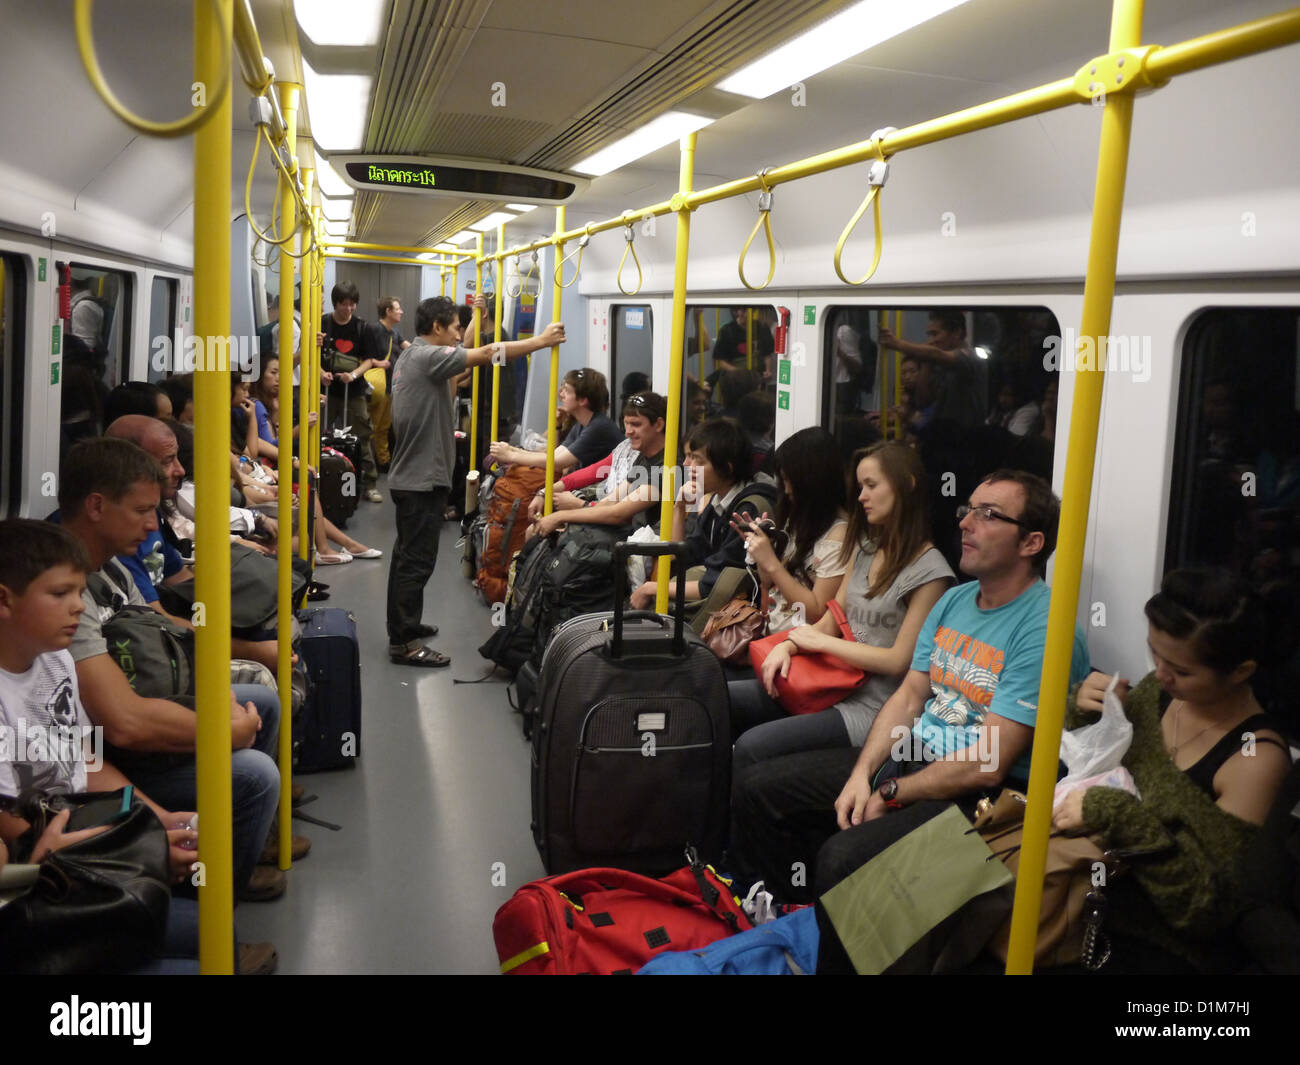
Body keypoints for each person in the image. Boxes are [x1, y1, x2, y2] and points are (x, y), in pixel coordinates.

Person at [730, 468, 1090, 907]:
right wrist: (863, 776)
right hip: (914, 753)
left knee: (841, 858)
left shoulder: (1044, 628)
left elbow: (989, 762)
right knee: (758, 788)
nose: (965, 522)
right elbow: (909, 696)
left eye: (988, 514)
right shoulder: (958, 600)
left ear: (1031, 543)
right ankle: (785, 913)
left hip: (979, 792)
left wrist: (892, 793)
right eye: (968, 509)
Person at [0, 519, 278, 974]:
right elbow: (15, 833)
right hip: (39, 873)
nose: (77, 608)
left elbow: (85, 759)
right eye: (59, 595)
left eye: (78, 593)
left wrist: (153, 816)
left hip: (76, 827)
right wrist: (136, 849)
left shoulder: (54, 660)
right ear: (4, 600)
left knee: (214, 932)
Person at [55, 438, 285, 905]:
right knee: (254, 774)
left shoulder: (113, 569)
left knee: (259, 702)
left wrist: (224, 711)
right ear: (96, 506)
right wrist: (224, 731)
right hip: (116, 747)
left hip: (133, 712)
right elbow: (123, 722)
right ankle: (211, 904)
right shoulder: (66, 592)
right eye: (141, 511)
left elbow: (176, 635)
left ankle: (241, 844)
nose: (150, 524)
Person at [1053, 568, 1292, 972]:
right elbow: (1103, 769)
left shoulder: (1255, 760)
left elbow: (1204, 907)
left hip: (1153, 940)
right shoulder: (1157, 693)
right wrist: (1085, 713)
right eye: (1154, 654)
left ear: (1241, 671)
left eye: (1181, 671)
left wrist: (1119, 816)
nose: (1161, 674)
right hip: (1081, 888)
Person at [729, 440, 952, 742]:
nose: (862, 497)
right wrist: (788, 646)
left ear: (906, 485)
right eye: (860, 487)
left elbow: (897, 660)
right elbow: (831, 620)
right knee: (718, 698)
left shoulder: (931, 573)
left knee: (752, 746)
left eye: (871, 485)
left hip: (874, 707)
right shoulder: (865, 551)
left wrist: (818, 642)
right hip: (830, 682)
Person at [386, 296, 565, 667]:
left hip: (412, 478)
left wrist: (475, 315)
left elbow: (466, 346)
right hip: (421, 480)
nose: (457, 335)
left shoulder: (413, 356)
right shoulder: (429, 358)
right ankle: (403, 642)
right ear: (436, 328)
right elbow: (485, 352)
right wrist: (540, 342)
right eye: (453, 327)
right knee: (415, 563)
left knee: (408, 558)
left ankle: (407, 625)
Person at [629, 418, 775, 610]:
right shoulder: (717, 500)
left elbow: (713, 585)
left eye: (698, 460)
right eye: (688, 456)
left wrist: (652, 588)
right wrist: (679, 508)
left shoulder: (748, 509)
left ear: (727, 467)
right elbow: (683, 555)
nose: (688, 465)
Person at [529, 391, 669, 537]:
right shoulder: (644, 456)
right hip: (632, 534)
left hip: (647, 545)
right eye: (626, 424)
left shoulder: (667, 467)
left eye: (636, 424)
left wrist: (562, 516)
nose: (628, 432)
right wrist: (546, 495)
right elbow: (610, 502)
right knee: (537, 532)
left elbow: (619, 514)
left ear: (658, 424)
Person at [320, 281, 387, 503]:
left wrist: (354, 375)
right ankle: (318, 478)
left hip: (354, 389)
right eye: (343, 304)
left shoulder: (362, 327)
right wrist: (321, 373)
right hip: (327, 391)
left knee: (363, 436)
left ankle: (370, 483)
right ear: (335, 303)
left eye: (352, 304)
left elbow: (369, 360)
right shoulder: (324, 324)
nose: (348, 309)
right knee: (319, 434)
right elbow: (311, 355)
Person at [489, 368, 622, 477]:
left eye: (567, 391)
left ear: (583, 400)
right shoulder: (583, 424)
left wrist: (511, 455)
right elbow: (554, 455)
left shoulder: (599, 427)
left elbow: (557, 463)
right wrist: (512, 450)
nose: (561, 394)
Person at [879, 309, 986, 429]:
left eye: (935, 334)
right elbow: (923, 401)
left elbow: (935, 354)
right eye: (929, 335)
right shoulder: (939, 364)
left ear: (957, 333)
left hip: (966, 437)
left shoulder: (969, 357)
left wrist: (897, 344)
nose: (930, 340)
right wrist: (926, 364)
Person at [364, 296, 411, 470]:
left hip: (391, 386)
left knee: (384, 426)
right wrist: (378, 363)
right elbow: (364, 356)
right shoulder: (373, 329)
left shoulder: (395, 333)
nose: (401, 311)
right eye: (397, 309)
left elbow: (410, 347)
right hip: (377, 386)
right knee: (373, 426)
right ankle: (369, 463)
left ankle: (383, 460)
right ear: (388, 311)